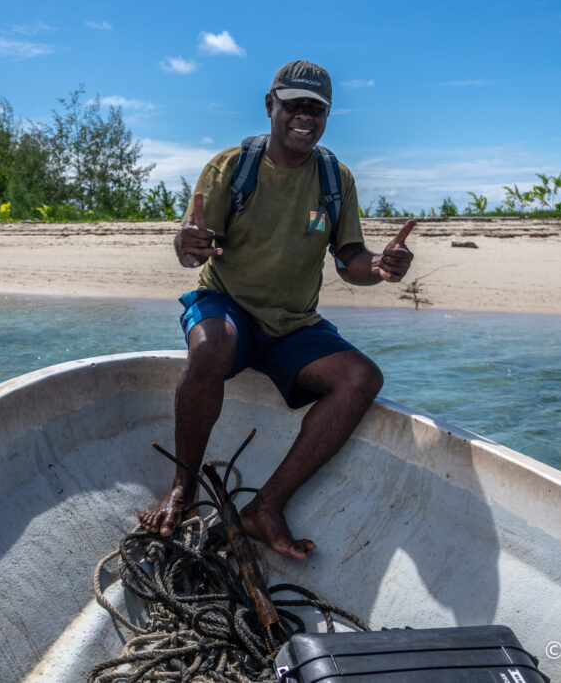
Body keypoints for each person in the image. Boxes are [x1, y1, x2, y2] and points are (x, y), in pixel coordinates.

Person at [139, 60, 415, 559]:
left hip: (293, 324)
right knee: (211, 346)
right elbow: (191, 247)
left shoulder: (334, 178)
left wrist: (378, 266)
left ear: (327, 116)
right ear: (270, 106)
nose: (304, 117)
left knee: (361, 379)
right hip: (227, 306)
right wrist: (187, 244)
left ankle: (265, 507)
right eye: (294, 105)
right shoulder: (232, 168)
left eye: (316, 109)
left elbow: (350, 259)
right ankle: (184, 485)